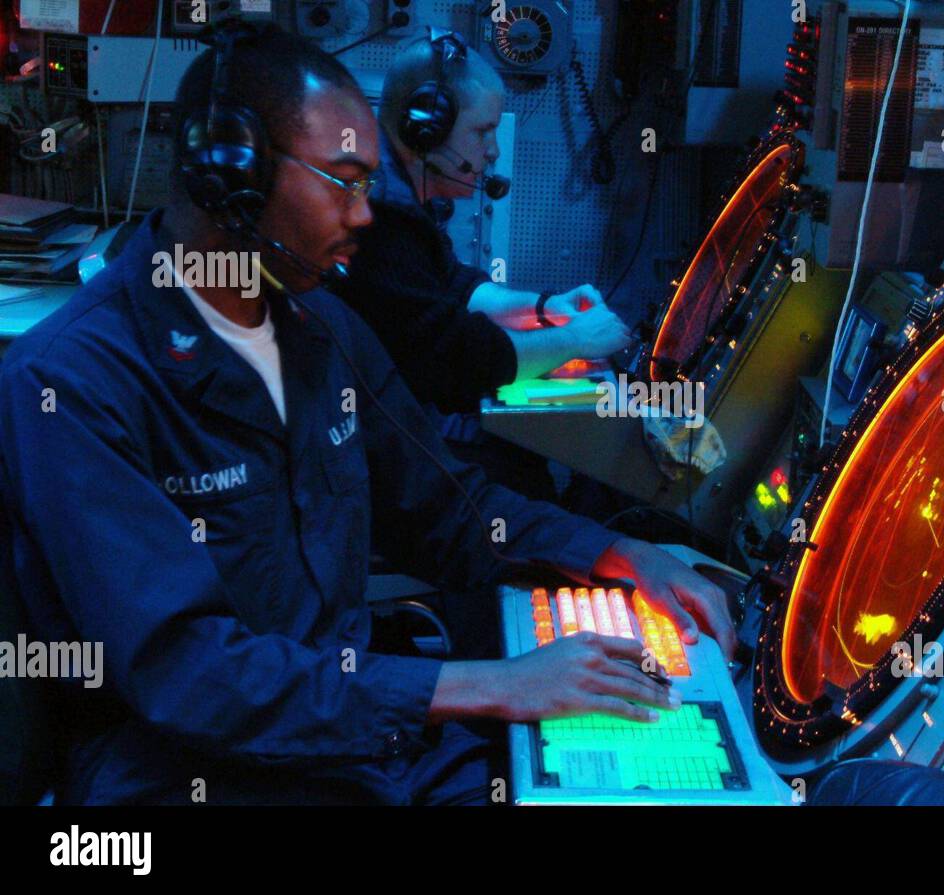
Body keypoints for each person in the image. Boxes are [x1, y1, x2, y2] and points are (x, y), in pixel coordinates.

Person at [0, 23, 732, 806]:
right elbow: (192, 674)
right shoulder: (72, 381)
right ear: (230, 175)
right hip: (190, 774)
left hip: (360, 744)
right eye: (344, 181)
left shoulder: (320, 329)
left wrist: (620, 554)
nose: (364, 215)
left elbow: (455, 509)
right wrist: (491, 683)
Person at [336, 31, 631, 500]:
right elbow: (457, 356)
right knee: (523, 481)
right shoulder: (381, 219)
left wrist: (545, 307)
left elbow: (454, 287)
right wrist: (576, 339)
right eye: (482, 131)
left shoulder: (404, 195)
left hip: (393, 416)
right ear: (425, 128)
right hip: (377, 446)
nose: (492, 150)